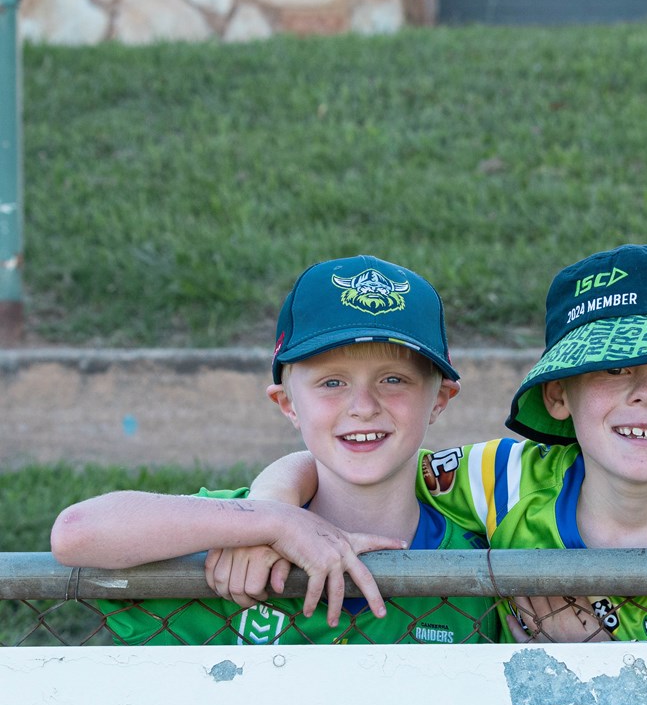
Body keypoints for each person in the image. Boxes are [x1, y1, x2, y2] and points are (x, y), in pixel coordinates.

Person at [228, 244, 647, 643]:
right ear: (559, 397)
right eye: (613, 370)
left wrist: (595, 657)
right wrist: (271, 511)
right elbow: (355, 458)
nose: (646, 394)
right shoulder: (503, 478)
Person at [50, 255, 498, 646]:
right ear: (287, 404)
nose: (363, 407)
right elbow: (76, 531)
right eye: (332, 383)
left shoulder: (479, 554)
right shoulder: (235, 529)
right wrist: (273, 522)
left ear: (439, 400)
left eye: (393, 379)